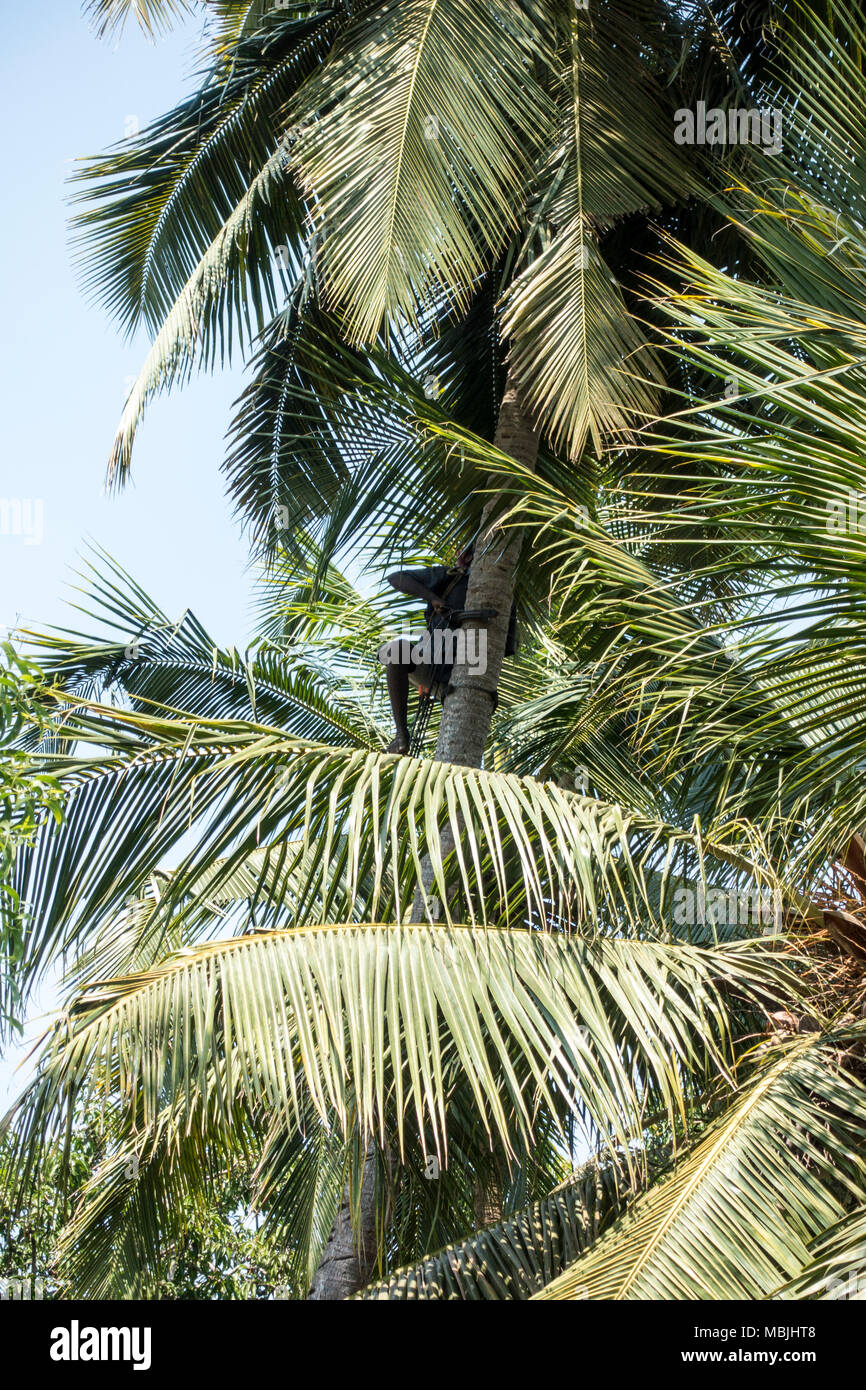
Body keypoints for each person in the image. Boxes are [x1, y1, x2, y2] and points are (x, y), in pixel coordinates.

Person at [378, 547, 516, 753]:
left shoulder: (503, 592)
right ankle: (401, 734)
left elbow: (502, 647)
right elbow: (396, 578)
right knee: (396, 651)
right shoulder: (449, 577)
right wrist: (433, 598)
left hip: (471, 676)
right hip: (432, 666)